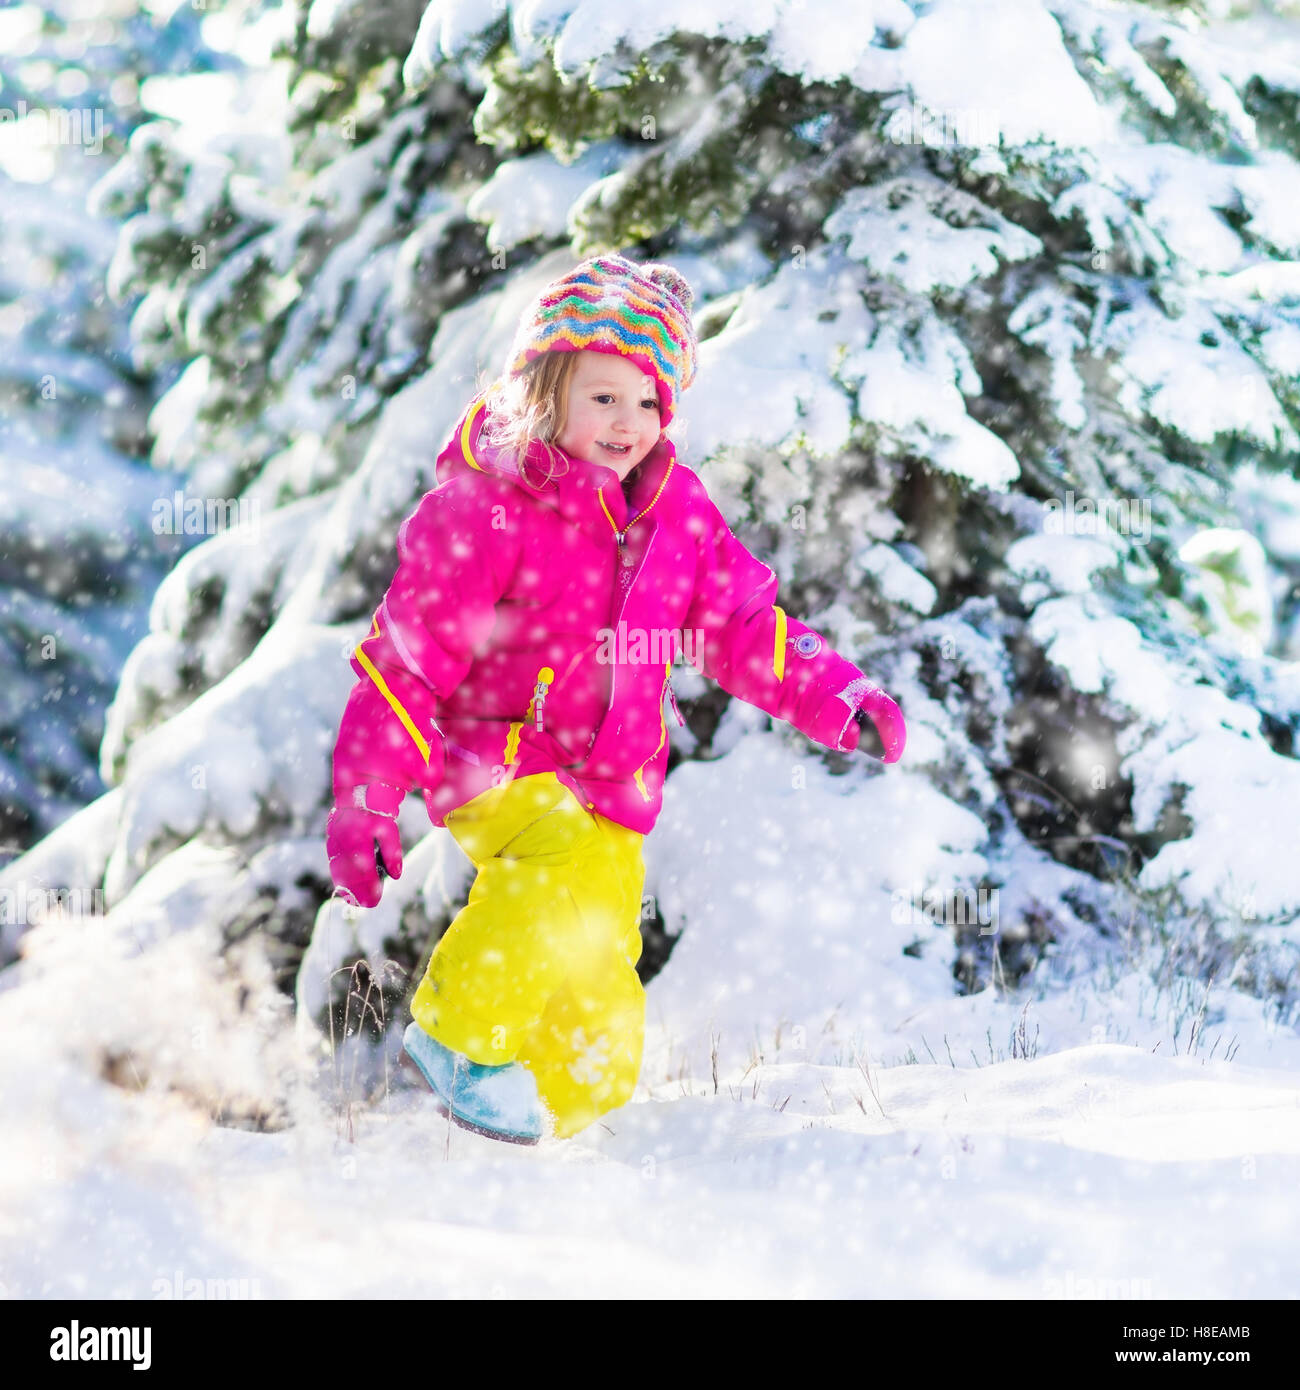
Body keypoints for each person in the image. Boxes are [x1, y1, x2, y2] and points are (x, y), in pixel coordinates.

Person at [325, 252, 906, 1144]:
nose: (628, 421)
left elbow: (745, 623)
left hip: (614, 782)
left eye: (647, 402)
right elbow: (405, 655)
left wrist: (835, 695)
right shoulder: (489, 507)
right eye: (603, 397)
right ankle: (457, 1040)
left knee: (602, 971)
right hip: (502, 759)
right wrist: (369, 794)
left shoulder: (676, 516)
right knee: (562, 873)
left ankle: (562, 1121)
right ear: (546, 390)